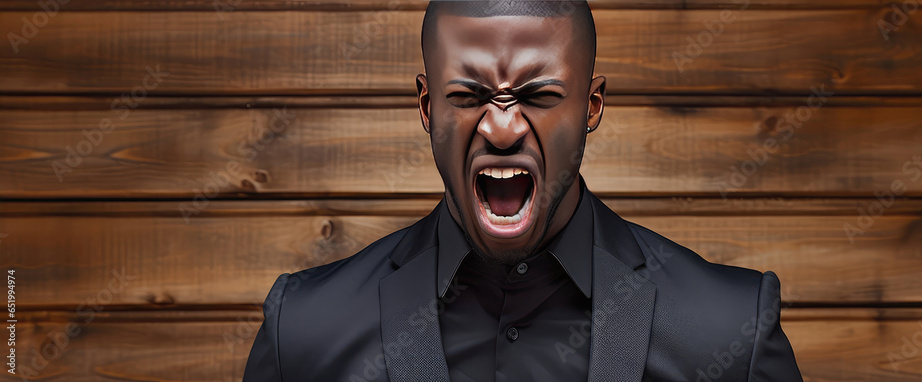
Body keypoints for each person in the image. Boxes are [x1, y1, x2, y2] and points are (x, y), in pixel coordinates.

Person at [244, 1, 803, 381]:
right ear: (426, 106)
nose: (503, 128)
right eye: (468, 95)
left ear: (591, 105)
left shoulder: (730, 332)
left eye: (537, 95)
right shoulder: (305, 333)